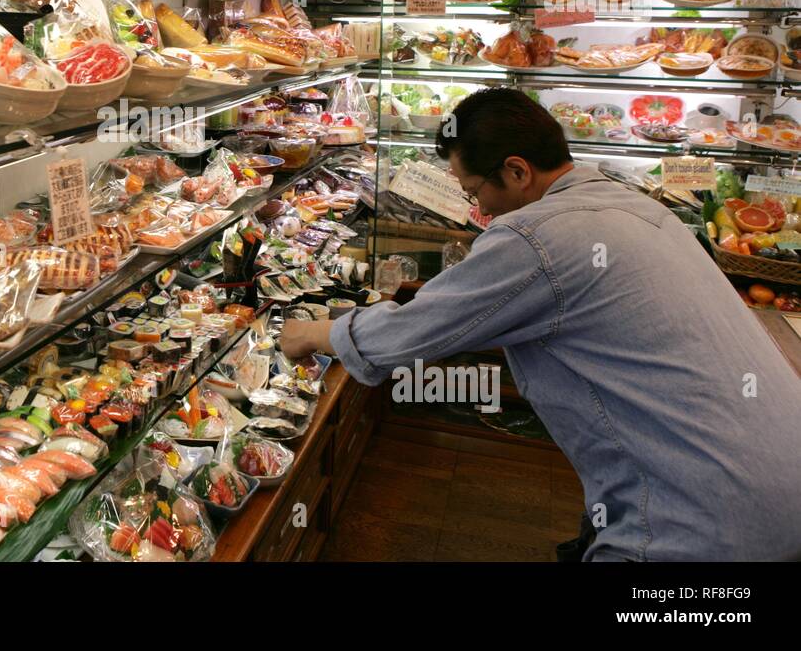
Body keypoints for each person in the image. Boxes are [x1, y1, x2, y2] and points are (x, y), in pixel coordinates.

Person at [282, 87, 801, 561]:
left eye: (472, 188)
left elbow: (417, 328)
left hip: (704, 518)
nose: (475, 204)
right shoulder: (632, 205)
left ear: (516, 171)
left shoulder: (538, 237)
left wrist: (314, 332)